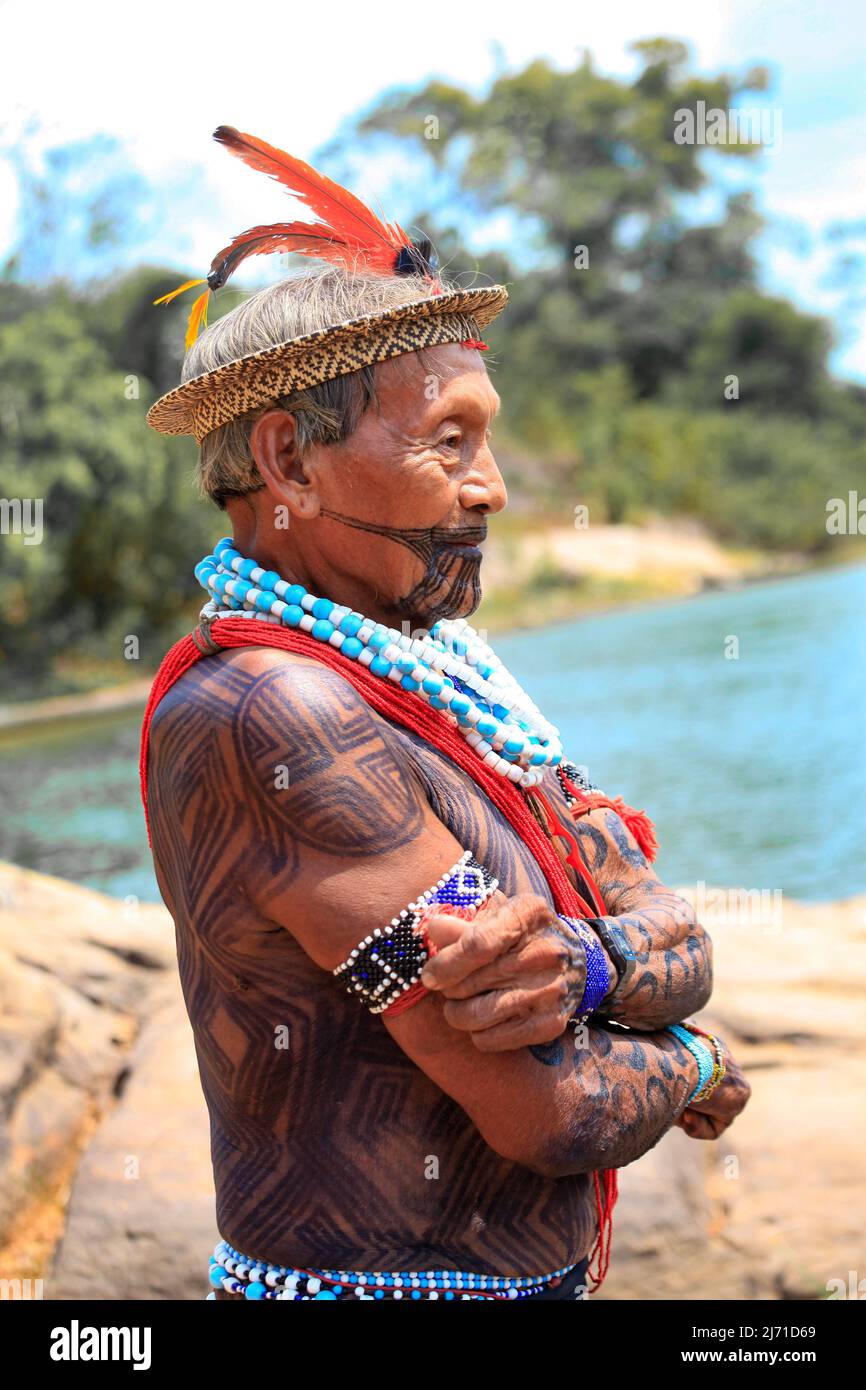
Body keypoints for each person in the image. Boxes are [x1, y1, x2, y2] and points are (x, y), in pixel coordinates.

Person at [141, 126, 750, 1303]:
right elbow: (549, 1107)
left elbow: (676, 933)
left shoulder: (437, 676)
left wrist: (582, 968)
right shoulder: (273, 711)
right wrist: (695, 1055)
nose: (494, 486)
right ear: (289, 462)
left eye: (489, 437)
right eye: (447, 442)